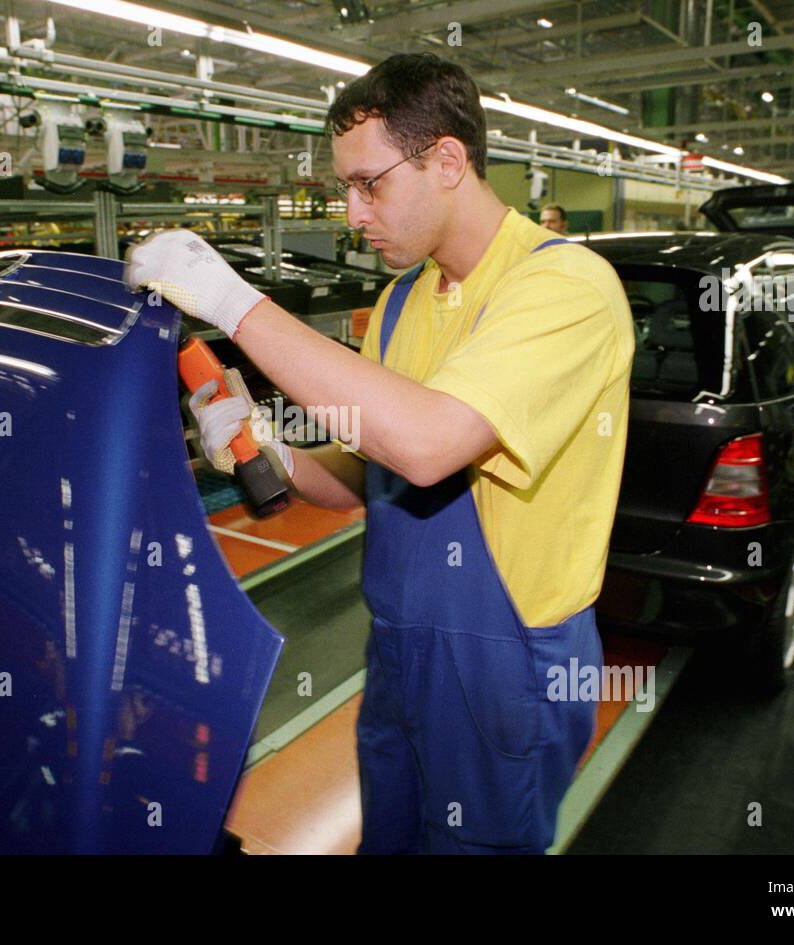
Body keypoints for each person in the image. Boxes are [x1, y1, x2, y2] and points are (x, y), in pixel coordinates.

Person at [126, 53, 634, 854]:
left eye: (370, 184)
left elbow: (430, 444)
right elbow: (378, 471)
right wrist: (272, 446)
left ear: (447, 160)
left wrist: (231, 300)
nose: (353, 215)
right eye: (345, 190)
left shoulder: (567, 288)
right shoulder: (400, 301)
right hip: (398, 649)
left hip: (506, 667)